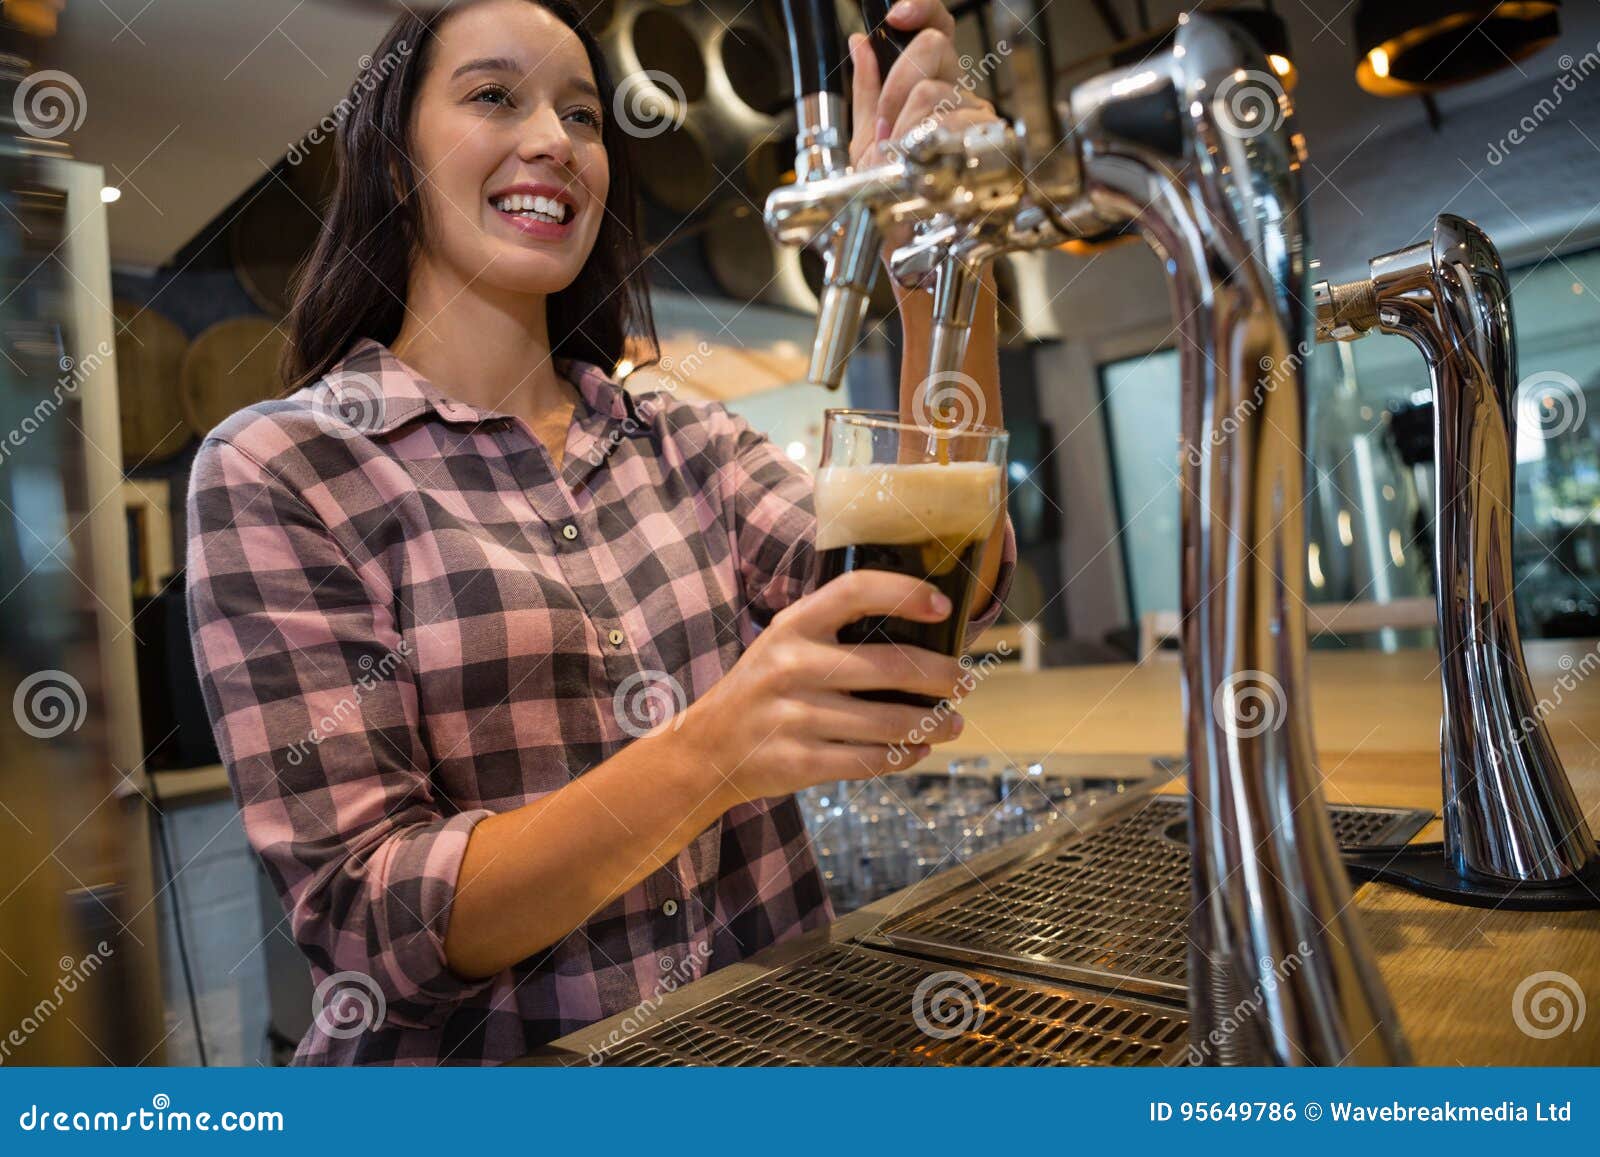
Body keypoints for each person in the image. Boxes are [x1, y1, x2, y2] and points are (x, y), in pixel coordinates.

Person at [186, 0, 1014, 1065]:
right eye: (495, 97)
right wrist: (715, 751)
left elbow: (928, 599)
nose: (554, 141)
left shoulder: (681, 439)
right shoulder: (282, 467)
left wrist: (943, 264)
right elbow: (372, 921)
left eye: (583, 116)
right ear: (393, 165)